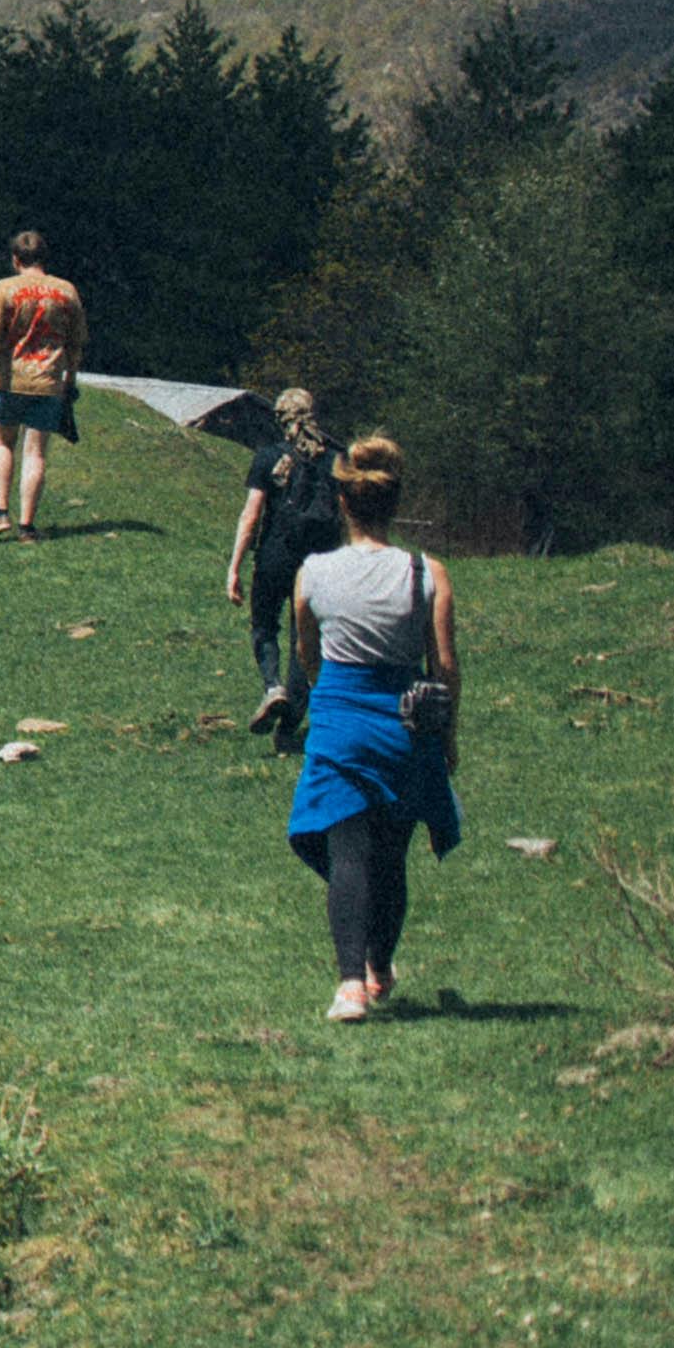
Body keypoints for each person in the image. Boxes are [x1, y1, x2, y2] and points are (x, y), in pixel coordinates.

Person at [283, 437, 460, 1021]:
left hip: (339, 720)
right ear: (394, 503)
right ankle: (379, 968)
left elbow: (307, 654)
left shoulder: (314, 572)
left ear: (343, 502)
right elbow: (445, 666)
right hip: (404, 725)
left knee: (345, 847)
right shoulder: (425, 572)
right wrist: (449, 739)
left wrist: (327, 697)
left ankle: (351, 983)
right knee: (391, 854)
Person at [224, 386, 334, 719]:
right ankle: (293, 715)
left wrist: (235, 566)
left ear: (280, 419)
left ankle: (273, 687)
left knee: (264, 624)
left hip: (275, 554)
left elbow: (251, 515)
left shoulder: (269, 457)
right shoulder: (335, 458)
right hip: (320, 560)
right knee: (305, 633)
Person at [0, 228, 87, 541]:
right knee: (35, 453)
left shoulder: (4, 289)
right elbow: (76, 343)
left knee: (3, 443)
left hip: (10, 380)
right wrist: (70, 380)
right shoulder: (66, 291)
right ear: (43, 258)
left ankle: (0, 512)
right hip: (48, 382)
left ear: (15, 259)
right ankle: (27, 526)